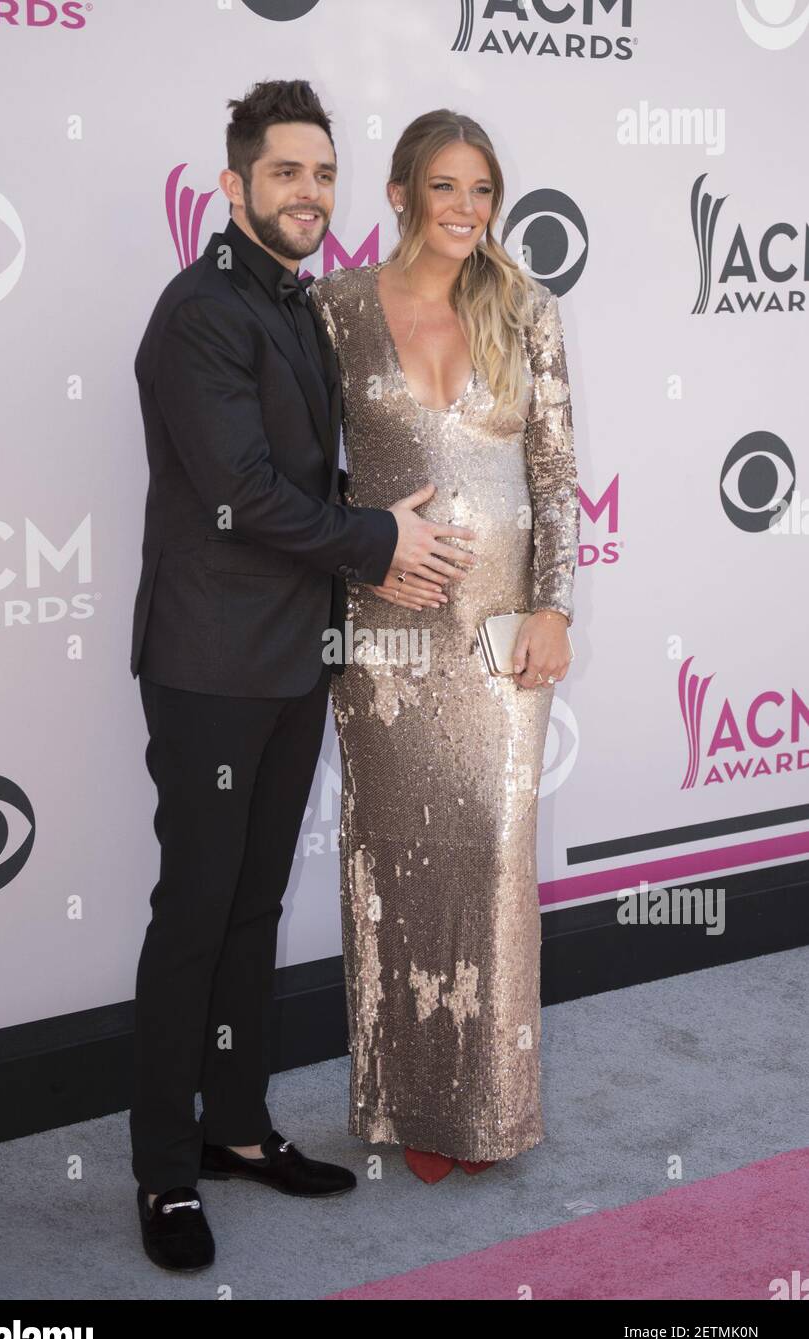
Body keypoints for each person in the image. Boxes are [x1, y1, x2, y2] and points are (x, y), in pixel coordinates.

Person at [128, 80, 475, 1269]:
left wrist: (380, 525)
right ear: (234, 185)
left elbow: (288, 478)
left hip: (291, 657)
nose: (309, 192)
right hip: (210, 664)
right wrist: (378, 540)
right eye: (285, 172)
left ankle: (235, 1128)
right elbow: (239, 493)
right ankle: (164, 1173)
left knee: (253, 908)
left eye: (323, 173)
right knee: (196, 913)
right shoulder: (200, 313)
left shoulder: (294, 304)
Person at [309, 108, 579, 1185]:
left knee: (494, 860)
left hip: (499, 634)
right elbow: (296, 472)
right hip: (384, 632)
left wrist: (555, 608)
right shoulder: (334, 308)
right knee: (392, 861)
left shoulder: (526, 307)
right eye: (444, 187)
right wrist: (363, 549)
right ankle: (406, 1101)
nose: (465, 209)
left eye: (481, 190)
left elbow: (553, 472)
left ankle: (488, 1107)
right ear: (400, 194)